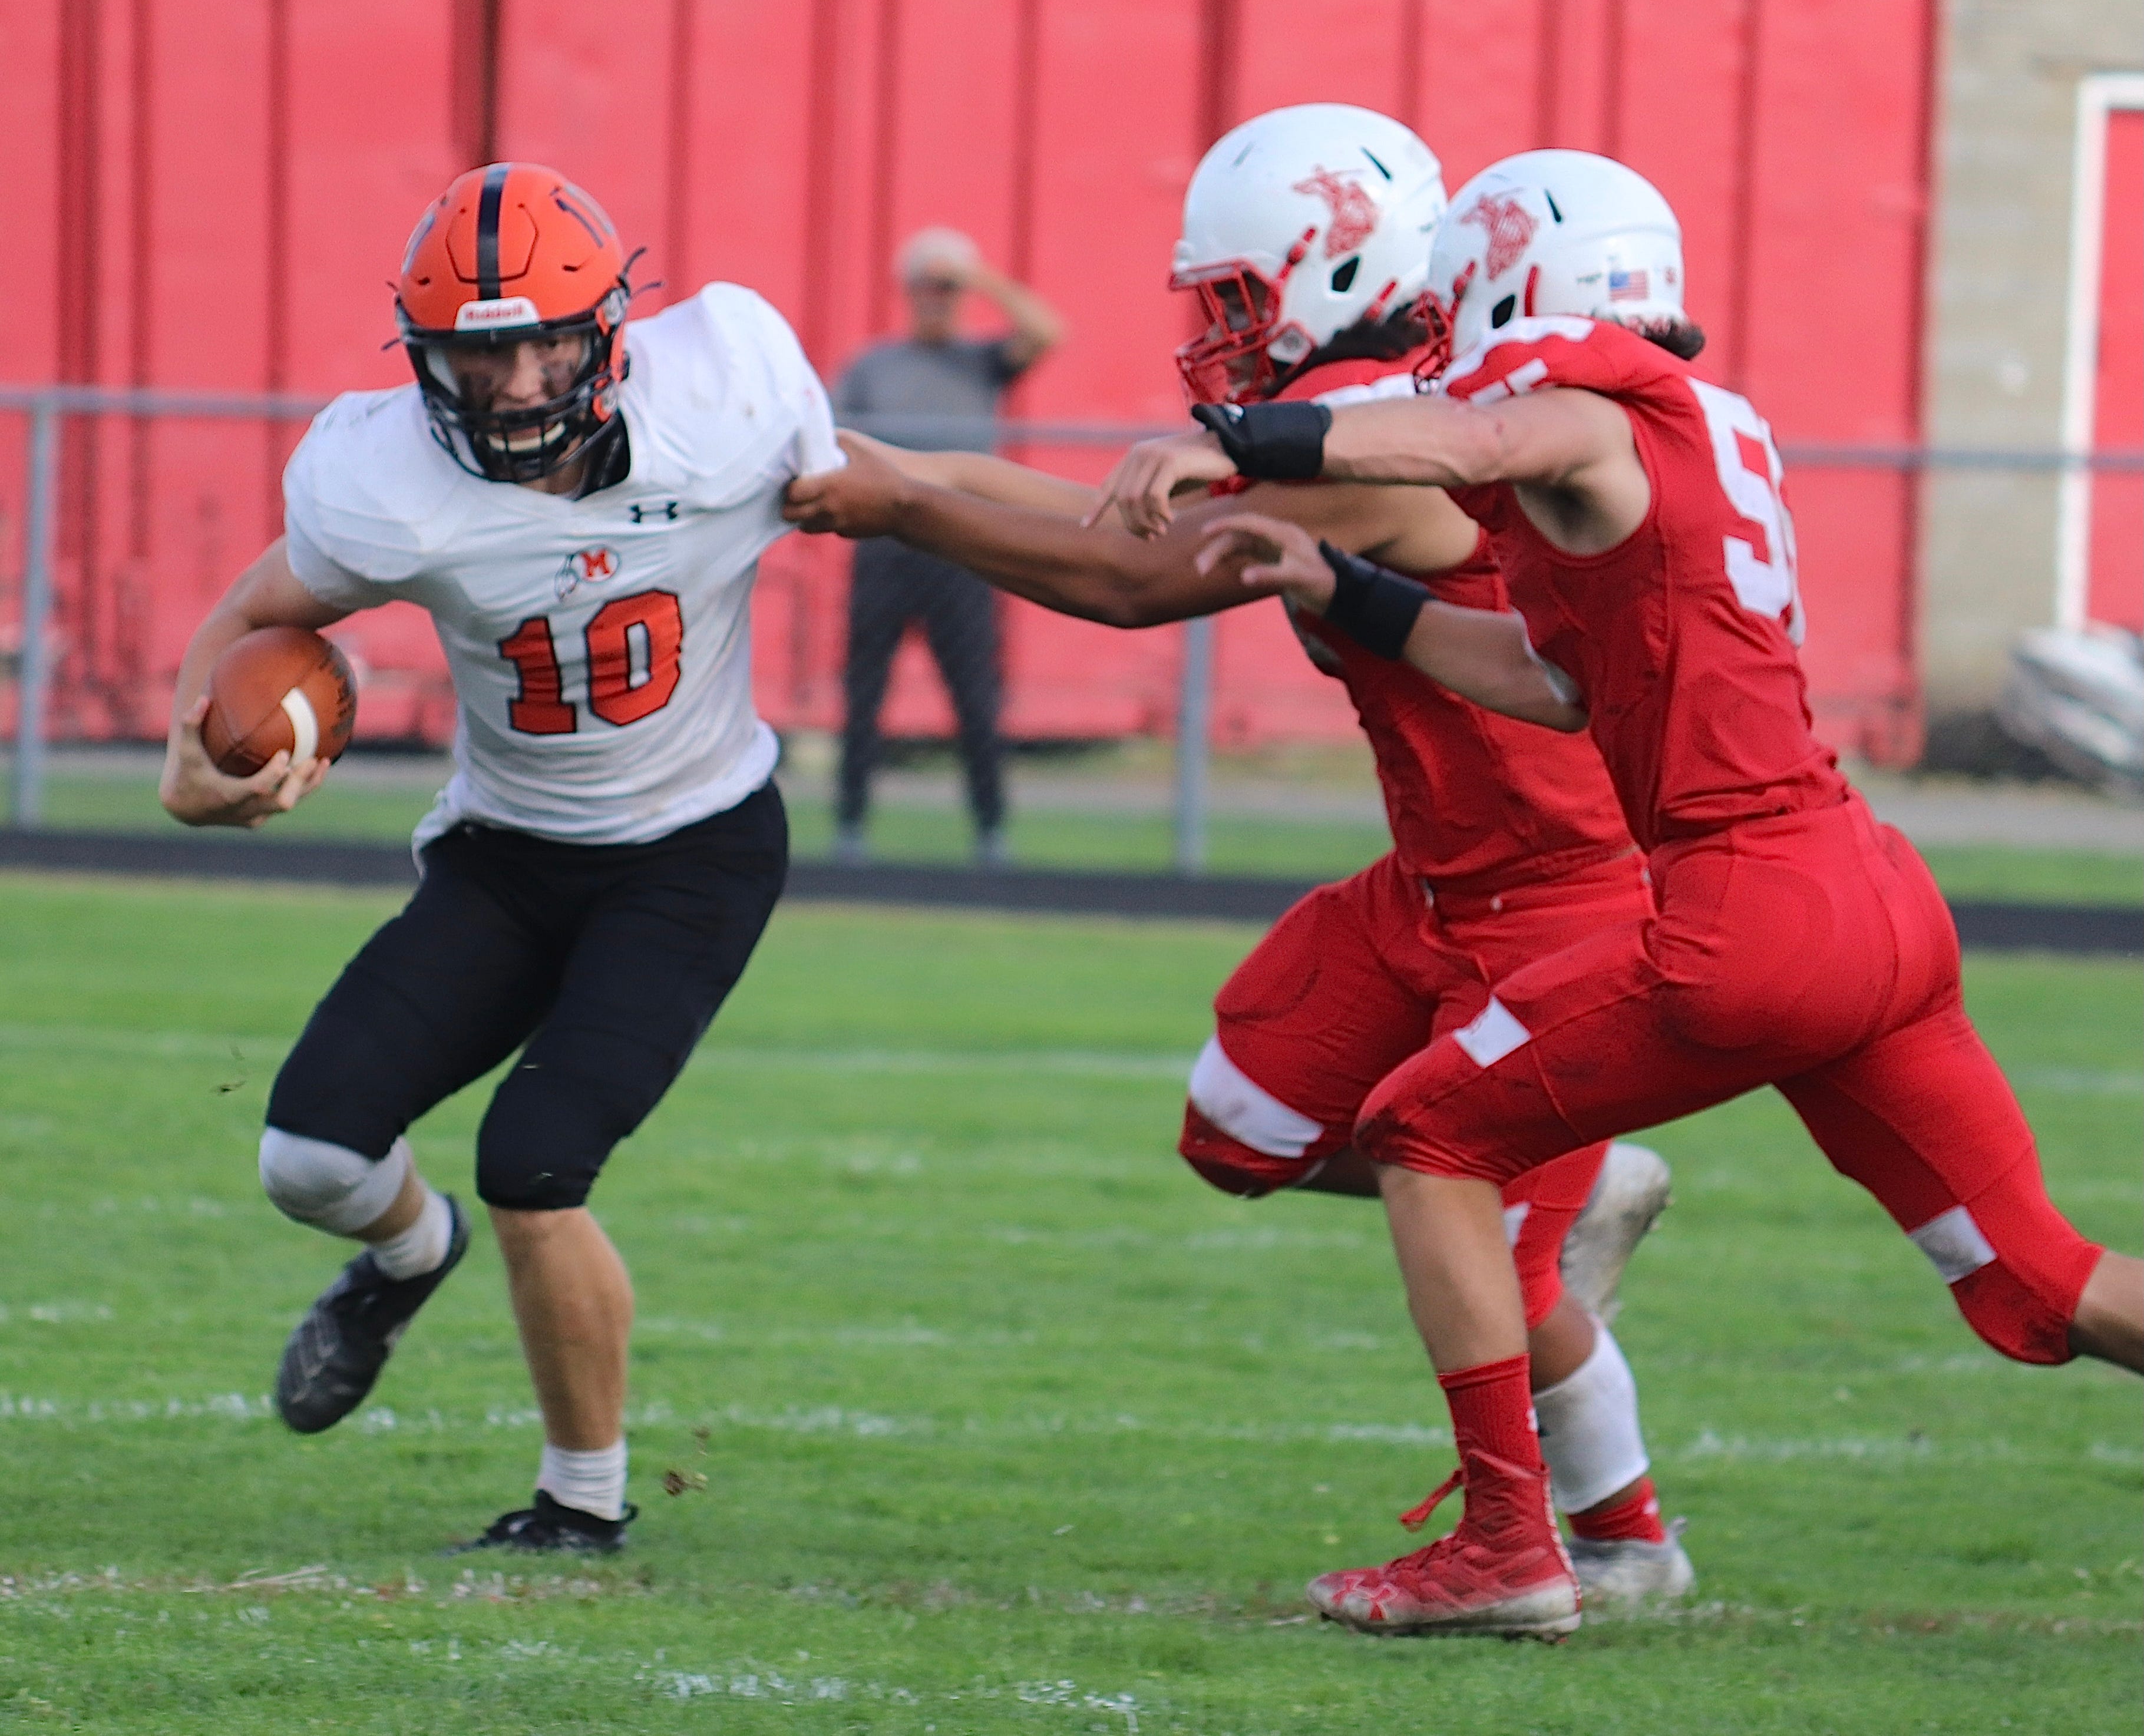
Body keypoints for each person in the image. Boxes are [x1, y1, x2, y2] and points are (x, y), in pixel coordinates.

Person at [1088, 147, 2144, 1639]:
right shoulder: (1692, 426)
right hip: (1867, 895)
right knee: (2037, 1282)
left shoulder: (1579, 410)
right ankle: (1539, 1534)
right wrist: (1338, 589)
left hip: (1749, 916)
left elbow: (1473, 437)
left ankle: (1506, 1547)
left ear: (1517, 283)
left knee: (1418, 1127)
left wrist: (1238, 437)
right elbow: (1552, 684)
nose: (1445, 333)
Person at [787, 107, 1694, 1607]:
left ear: (1331, 270)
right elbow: (1116, 513)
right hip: (1436, 880)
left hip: (1563, 899)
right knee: (1239, 1127)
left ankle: (1587, 1542)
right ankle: (1555, 1235)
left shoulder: (1384, 423)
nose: (1212, 335)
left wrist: (903, 508)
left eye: (1231, 298)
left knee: (1459, 1210)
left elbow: (1127, 579)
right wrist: (902, 461)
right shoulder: (1336, 404)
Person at [157, 163, 842, 1553]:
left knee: (534, 1158)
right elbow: (261, 604)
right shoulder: (388, 488)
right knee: (305, 1157)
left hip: (692, 848)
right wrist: (191, 741)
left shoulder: (730, 402)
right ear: (427, 358)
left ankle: (580, 1504)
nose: (518, 380)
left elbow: (881, 495)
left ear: (611, 335)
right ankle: (411, 1253)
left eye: (542, 342)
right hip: (509, 853)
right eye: (479, 350)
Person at [831, 227, 1065, 868]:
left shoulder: (981, 361)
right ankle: (849, 828)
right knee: (863, 693)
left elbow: (1048, 332)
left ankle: (991, 832)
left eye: (947, 288)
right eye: (927, 286)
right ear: (906, 292)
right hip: (884, 546)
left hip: (963, 547)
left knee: (975, 695)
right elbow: (832, 440)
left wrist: (978, 277)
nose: (937, 298)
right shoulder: (873, 366)